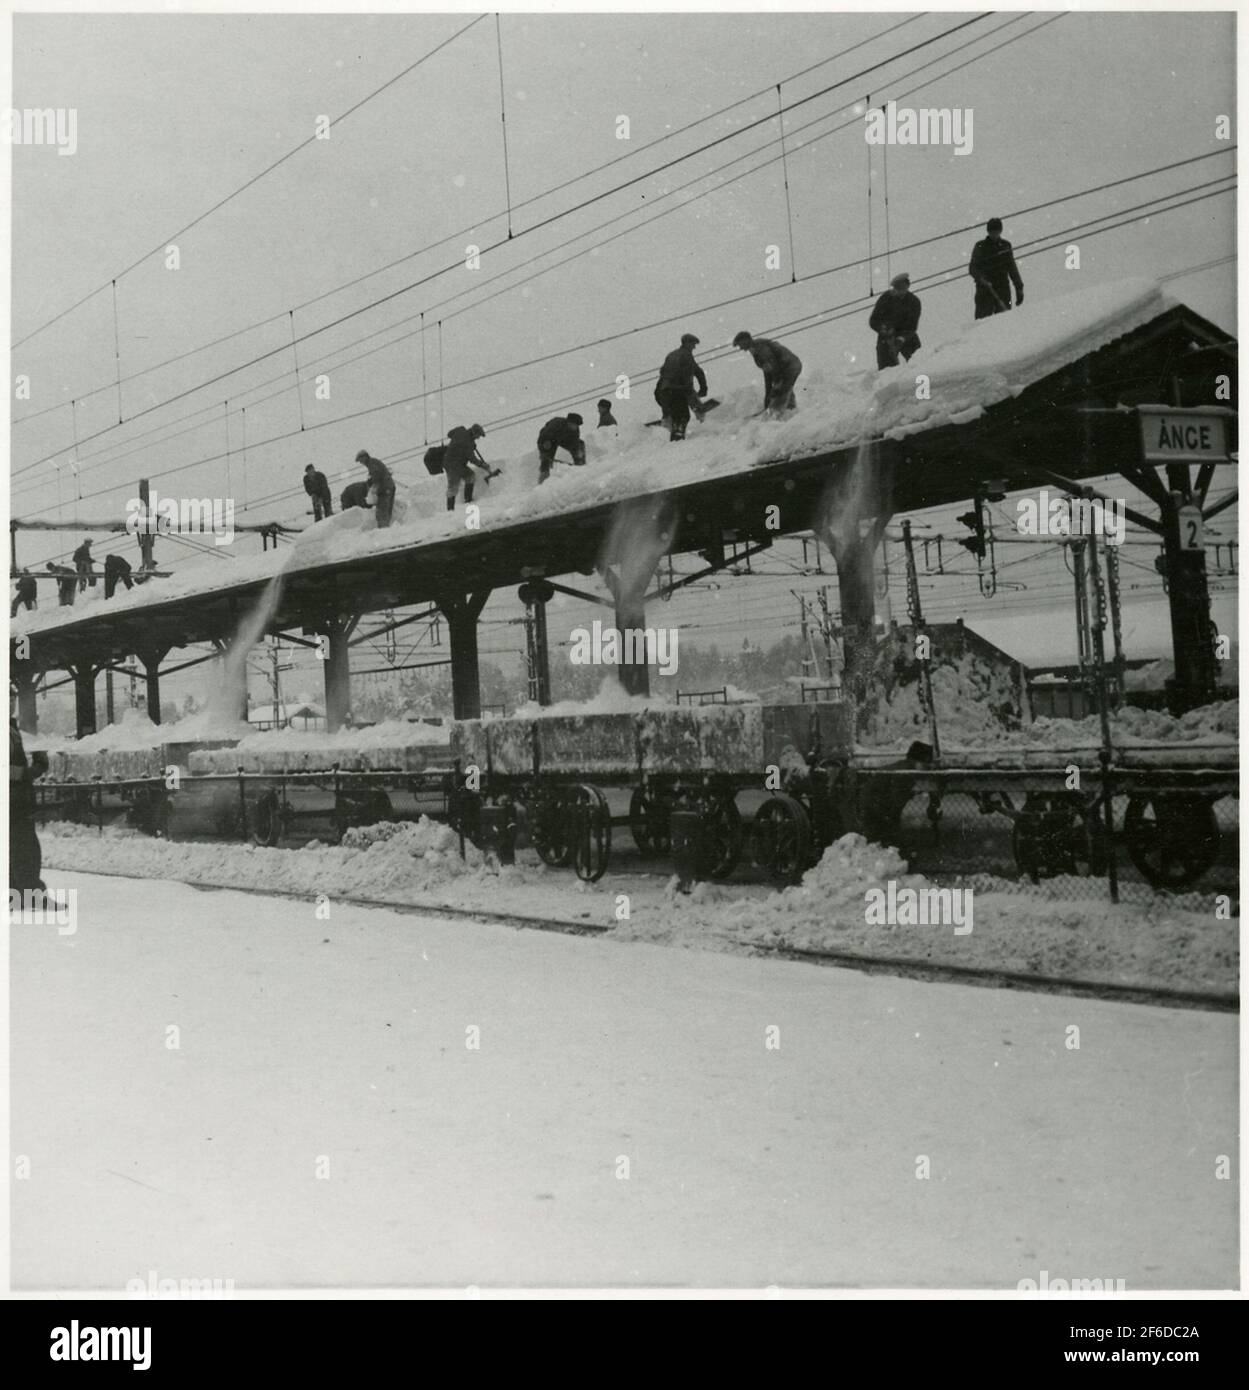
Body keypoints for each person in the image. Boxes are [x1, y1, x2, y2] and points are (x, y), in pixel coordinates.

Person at [10, 719, 46, 892]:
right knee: (26, 850)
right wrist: (29, 771)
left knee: (15, 850)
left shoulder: (14, 730)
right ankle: (32, 895)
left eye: (12, 699)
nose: (10, 704)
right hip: (14, 802)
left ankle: (13, 895)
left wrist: (37, 766)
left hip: (17, 800)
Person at [732, 331, 802, 416]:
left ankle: (780, 414)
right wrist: (768, 395)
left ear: (745, 340)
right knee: (783, 390)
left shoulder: (760, 347)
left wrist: (774, 388)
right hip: (789, 367)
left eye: (740, 345)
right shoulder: (756, 348)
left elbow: (772, 365)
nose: (741, 348)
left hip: (789, 368)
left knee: (780, 391)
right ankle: (790, 411)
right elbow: (767, 372)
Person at [654, 332, 707, 441]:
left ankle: (674, 436)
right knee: (683, 416)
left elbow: (663, 373)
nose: (694, 347)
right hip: (677, 390)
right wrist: (702, 389)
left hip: (665, 391)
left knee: (675, 416)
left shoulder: (671, 355)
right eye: (693, 345)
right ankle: (677, 438)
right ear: (687, 343)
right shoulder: (686, 355)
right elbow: (696, 372)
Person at [968, 217, 1024, 319]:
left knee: (1004, 323)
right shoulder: (980, 246)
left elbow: (1012, 268)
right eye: (992, 231)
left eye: (997, 231)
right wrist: (981, 278)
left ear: (1000, 231)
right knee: (982, 325)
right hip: (984, 292)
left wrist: (1019, 287)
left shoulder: (1005, 246)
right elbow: (972, 268)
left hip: (1002, 289)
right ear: (988, 231)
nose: (994, 234)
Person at [869, 272, 923, 369]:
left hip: (907, 336)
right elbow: (873, 321)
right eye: (898, 288)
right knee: (886, 371)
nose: (900, 291)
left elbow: (912, 327)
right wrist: (883, 330)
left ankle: (918, 377)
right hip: (886, 338)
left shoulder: (914, 302)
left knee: (918, 364)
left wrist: (901, 339)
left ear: (908, 286)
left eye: (903, 287)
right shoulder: (886, 298)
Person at [443, 423, 495, 512]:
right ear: (474, 432)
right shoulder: (468, 443)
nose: (478, 438)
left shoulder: (461, 429)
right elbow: (472, 459)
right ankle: (450, 511)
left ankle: (468, 500)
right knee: (453, 487)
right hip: (452, 465)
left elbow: (449, 434)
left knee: (470, 476)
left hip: (454, 463)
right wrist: (483, 465)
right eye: (478, 436)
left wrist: (457, 441)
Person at [536, 414, 585, 483]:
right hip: (548, 440)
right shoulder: (556, 423)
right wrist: (543, 451)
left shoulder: (575, 431)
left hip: (563, 439)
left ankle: (580, 467)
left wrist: (578, 454)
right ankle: (543, 478)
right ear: (569, 422)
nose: (575, 427)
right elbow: (543, 437)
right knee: (546, 460)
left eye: (577, 426)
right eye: (574, 425)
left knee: (580, 444)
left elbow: (575, 443)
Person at [355, 450, 396, 528]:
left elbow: (377, 475)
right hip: (389, 487)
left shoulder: (371, 463)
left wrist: (371, 482)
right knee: (387, 511)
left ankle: (383, 531)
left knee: (381, 512)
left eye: (360, 460)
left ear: (365, 457)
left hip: (384, 489)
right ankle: (388, 530)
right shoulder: (374, 462)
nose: (361, 463)